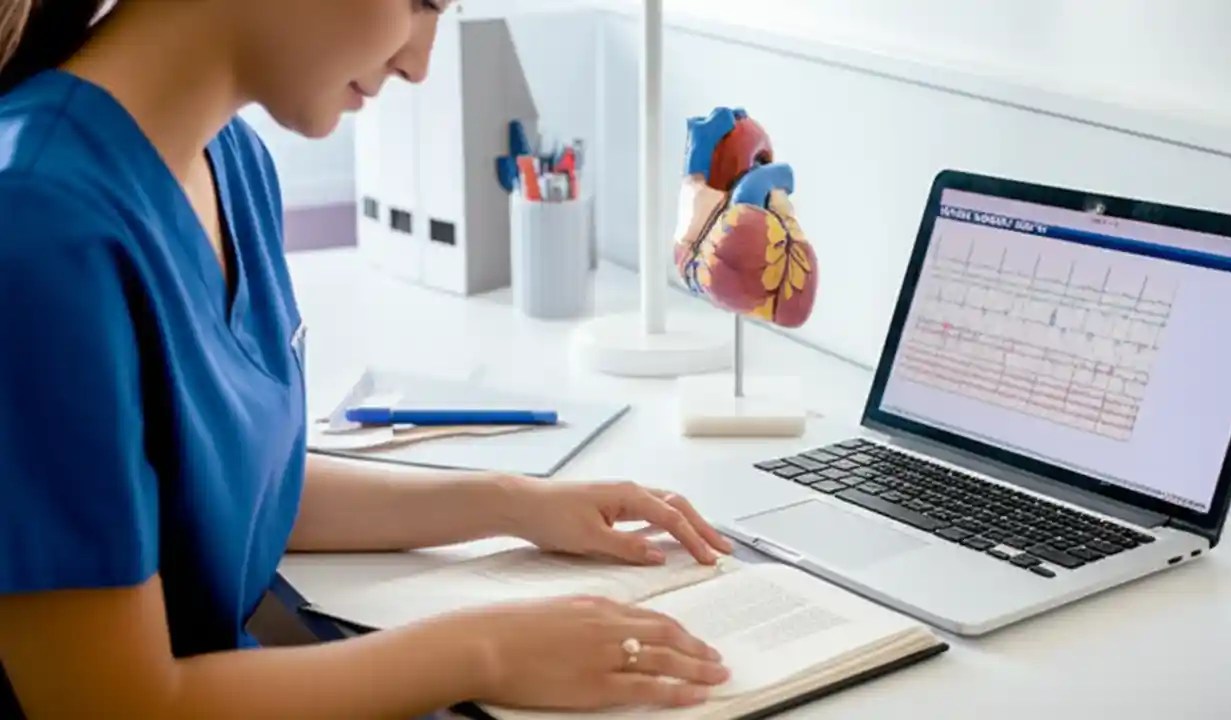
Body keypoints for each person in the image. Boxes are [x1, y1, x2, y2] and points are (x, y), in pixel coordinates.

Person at [0, 1, 735, 717]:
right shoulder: (38, 225)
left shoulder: (229, 159)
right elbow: (109, 704)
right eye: (421, 4)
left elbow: (230, 490)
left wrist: (511, 503)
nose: (420, 63)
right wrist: (486, 651)